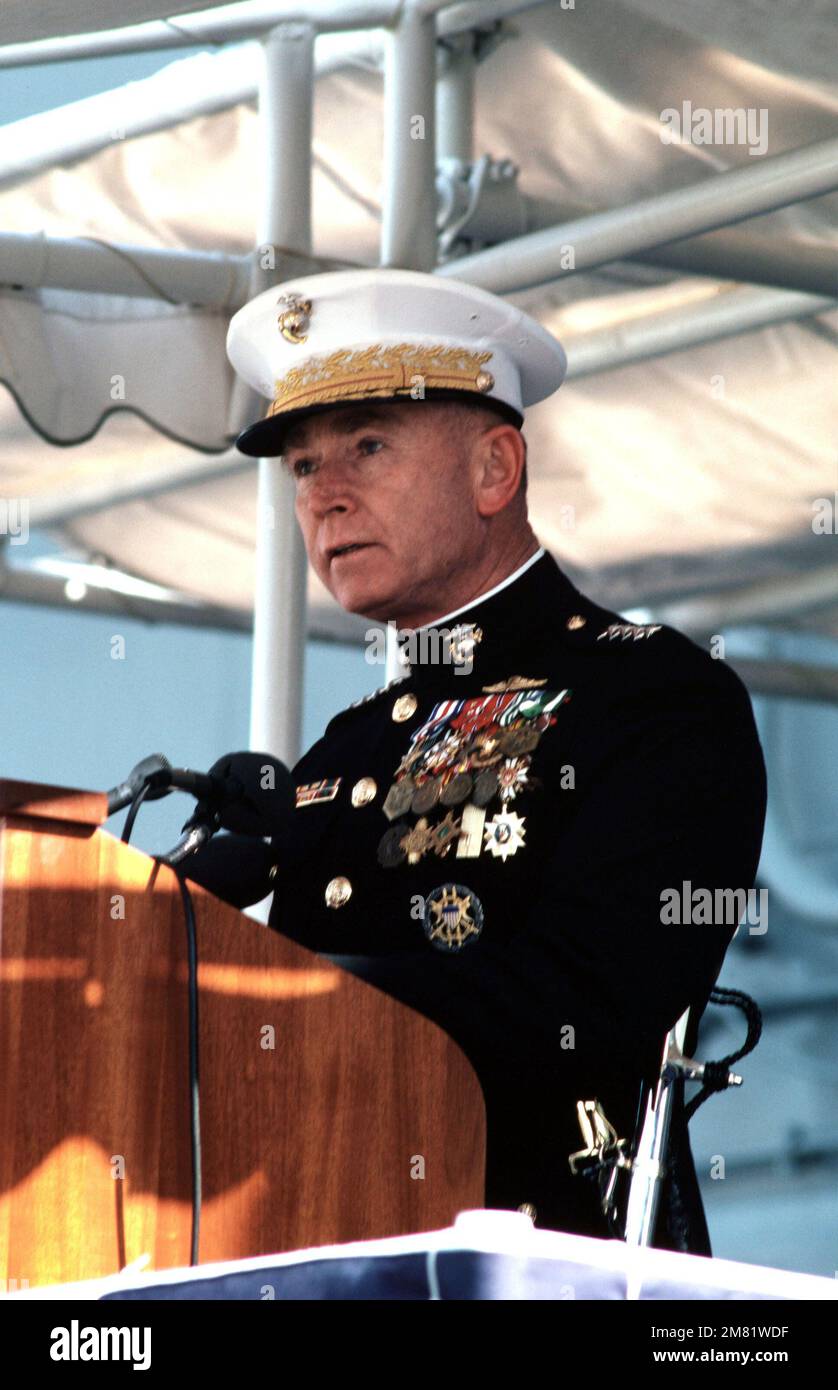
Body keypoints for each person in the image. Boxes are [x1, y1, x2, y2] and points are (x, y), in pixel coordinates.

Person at [185, 267, 767, 1252]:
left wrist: (273, 992)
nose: (324, 497)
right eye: (301, 466)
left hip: (535, 1268)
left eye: (366, 446)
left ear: (495, 470)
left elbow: (593, 999)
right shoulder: (349, 743)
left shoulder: (649, 696)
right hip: (315, 1253)